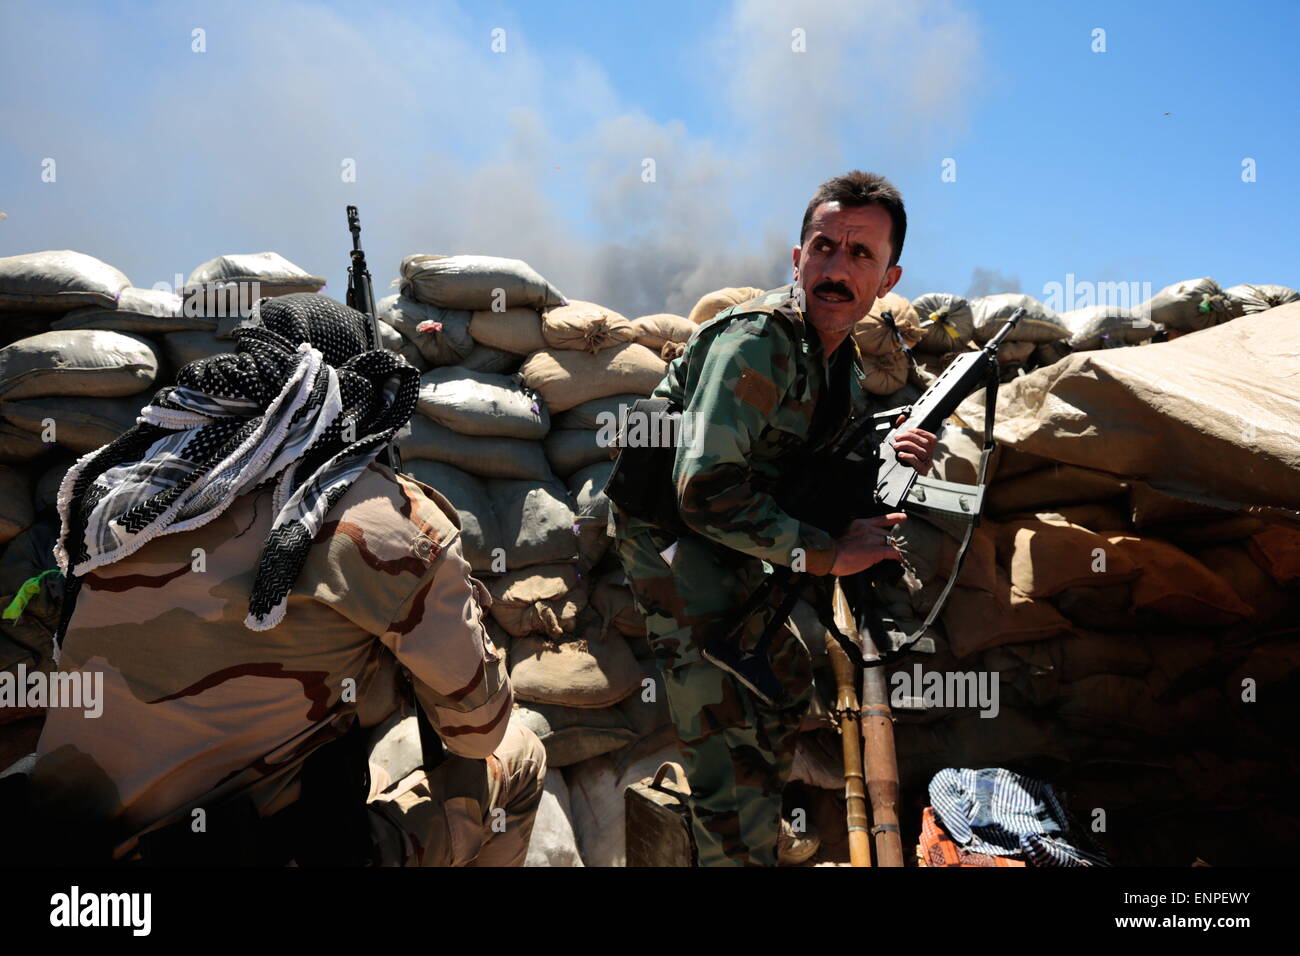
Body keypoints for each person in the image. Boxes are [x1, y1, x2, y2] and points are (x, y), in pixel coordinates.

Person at [22, 293, 544, 866]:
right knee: (518, 757)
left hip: (60, 845)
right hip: (238, 853)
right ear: (363, 395)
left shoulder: (131, 495)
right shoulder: (384, 522)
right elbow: (476, 733)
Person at [611, 171, 938, 866]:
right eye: (824, 247)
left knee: (785, 680)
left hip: (735, 538)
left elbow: (803, 468)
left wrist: (885, 452)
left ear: (888, 278)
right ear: (798, 259)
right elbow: (705, 490)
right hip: (675, 544)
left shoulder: (842, 364)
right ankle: (730, 829)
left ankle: (728, 826)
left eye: (860, 256)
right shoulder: (757, 341)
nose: (837, 268)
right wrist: (824, 554)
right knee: (728, 731)